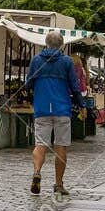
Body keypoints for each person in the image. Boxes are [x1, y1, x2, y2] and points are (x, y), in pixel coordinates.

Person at [26, 29, 84, 197]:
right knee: (61, 146)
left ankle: (37, 171)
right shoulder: (67, 62)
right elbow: (75, 86)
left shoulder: (36, 60)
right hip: (61, 109)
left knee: (40, 144)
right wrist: (82, 105)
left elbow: (28, 83)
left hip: (42, 107)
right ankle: (58, 184)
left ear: (46, 43)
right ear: (61, 46)